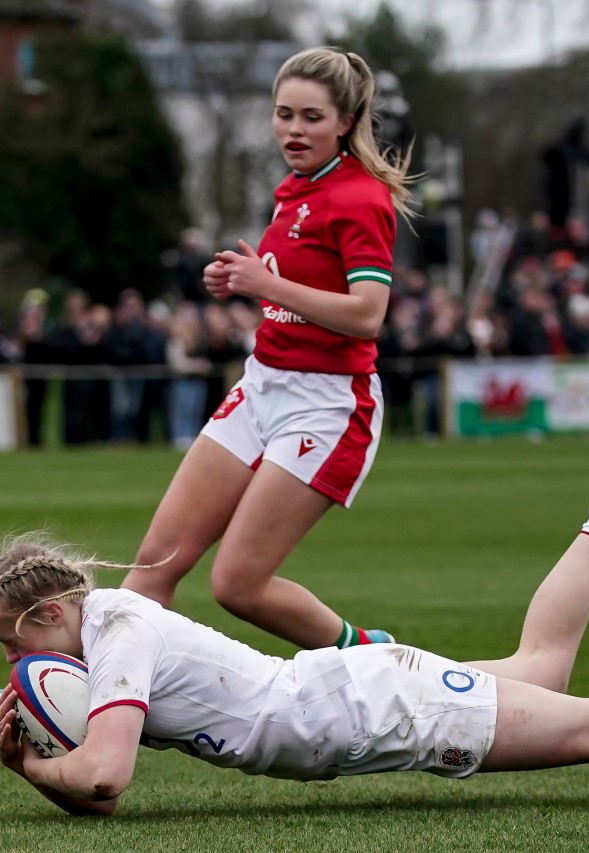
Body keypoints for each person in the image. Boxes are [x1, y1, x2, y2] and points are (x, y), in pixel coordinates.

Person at [0, 430, 589, 817]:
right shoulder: (112, 629)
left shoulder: (120, 629)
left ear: (53, 610)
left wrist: (30, 766)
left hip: (374, 710)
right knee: (543, 665)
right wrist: (48, 764)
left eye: (13, 641)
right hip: (354, 695)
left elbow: (104, 777)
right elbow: (98, 788)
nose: (14, 662)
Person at [121, 46, 416, 649]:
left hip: (326, 404)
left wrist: (267, 284)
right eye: (284, 114)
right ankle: (98, 692)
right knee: (155, 563)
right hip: (261, 385)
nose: (294, 129)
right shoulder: (293, 190)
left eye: (312, 117)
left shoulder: (360, 198)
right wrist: (238, 280)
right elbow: (292, 286)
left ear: (346, 122)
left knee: (238, 585)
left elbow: (367, 315)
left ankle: (373, 658)